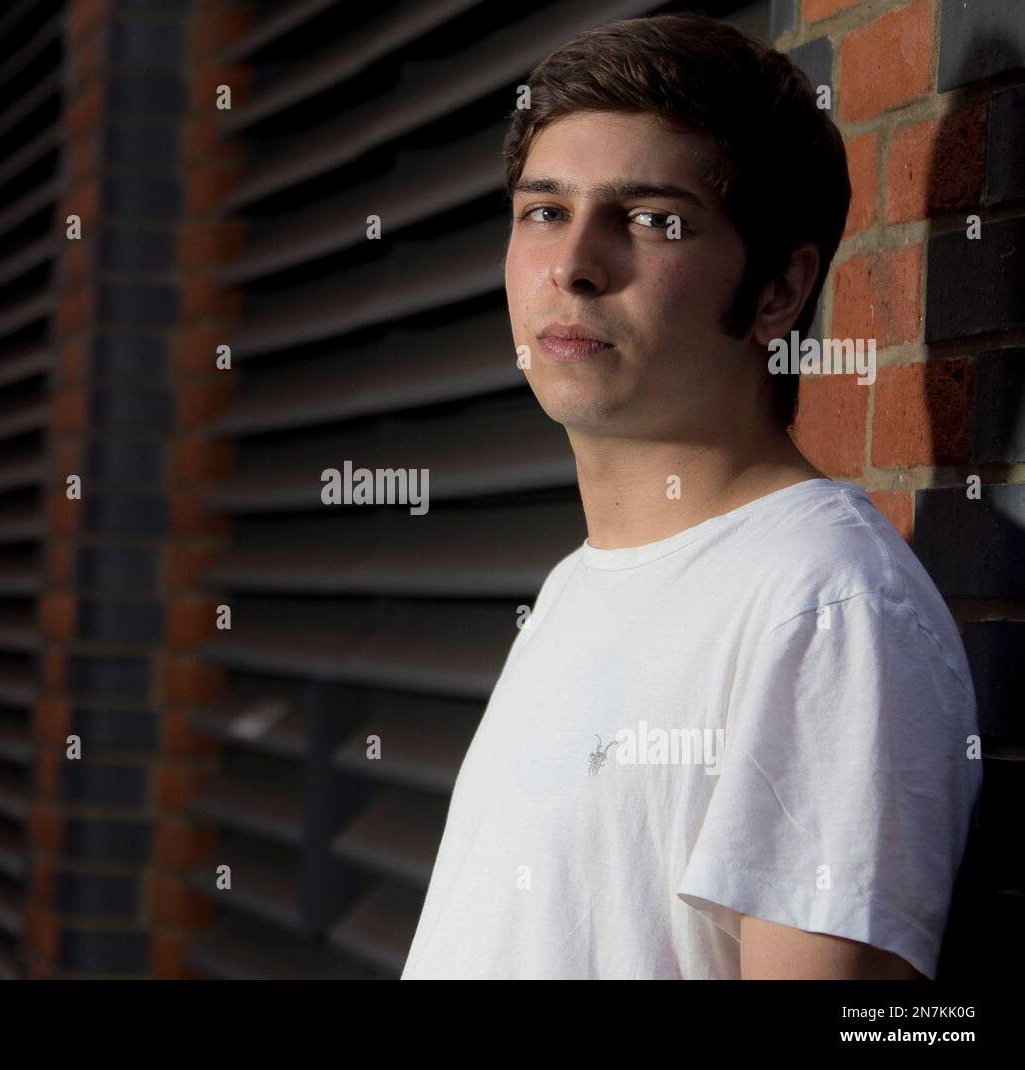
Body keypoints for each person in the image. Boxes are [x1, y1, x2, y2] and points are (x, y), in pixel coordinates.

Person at [400, 12, 981, 980]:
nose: (573, 264)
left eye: (647, 219)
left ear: (777, 291)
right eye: (544, 210)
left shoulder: (826, 609)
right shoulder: (573, 587)